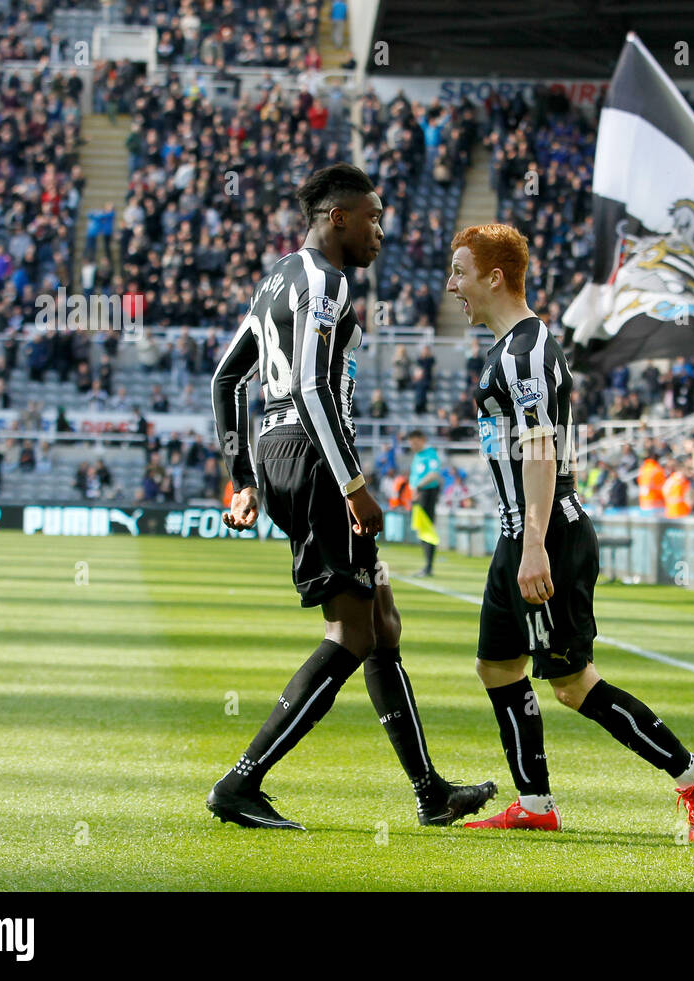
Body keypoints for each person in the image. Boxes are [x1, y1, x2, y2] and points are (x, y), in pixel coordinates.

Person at [206, 163, 494, 830]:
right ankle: (240, 782)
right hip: (315, 459)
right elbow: (312, 388)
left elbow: (227, 379)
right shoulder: (324, 280)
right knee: (352, 631)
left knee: (381, 620)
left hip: (280, 454)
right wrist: (354, 484)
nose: (381, 232)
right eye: (373, 218)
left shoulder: (277, 278)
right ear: (338, 217)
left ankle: (430, 790)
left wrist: (243, 476)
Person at [447, 223, 694, 840]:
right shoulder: (508, 349)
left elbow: (543, 446)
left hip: (546, 535)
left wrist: (536, 544)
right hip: (517, 533)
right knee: (498, 667)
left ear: (495, 277)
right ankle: (536, 804)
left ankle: (691, 773)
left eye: (460, 272)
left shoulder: (524, 351)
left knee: (572, 683)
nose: (452, 285)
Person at [407, 429, 442, 575]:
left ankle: (429, 566)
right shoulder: (417, 456)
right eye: (411, 443)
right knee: (422, 529)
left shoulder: (430, 454)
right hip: (418, 496)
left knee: (427, 529)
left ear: (422, 440)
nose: (412, 446)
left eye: (415, 442)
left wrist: (418, 486)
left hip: (427, 494)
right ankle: (426, 566)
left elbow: (434, 474)